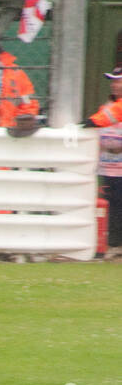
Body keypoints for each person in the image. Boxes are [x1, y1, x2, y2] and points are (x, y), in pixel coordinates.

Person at [82, 66, 122, 259]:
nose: (115, 85)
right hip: (108, 167)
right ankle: (112, 243)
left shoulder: (112, 109)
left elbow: (103, 120)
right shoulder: (108, 106)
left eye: (119, 80)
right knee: (112, 206)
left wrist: (92, 121)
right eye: (113, 81)